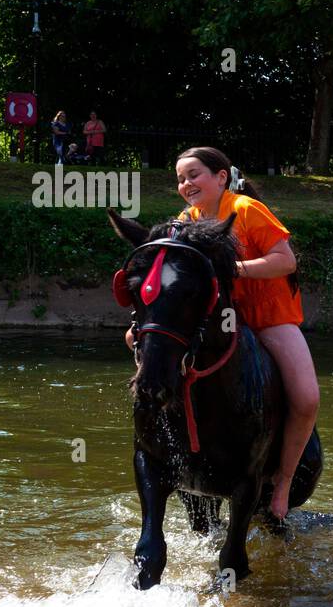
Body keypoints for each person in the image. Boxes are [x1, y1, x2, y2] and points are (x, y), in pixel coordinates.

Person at [123, 147, 320, 519]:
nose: (186, 184)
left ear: (221, 177)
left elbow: (286, 260)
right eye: (180, 179)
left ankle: (280, 484)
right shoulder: (186, 220)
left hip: (268, 318)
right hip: (218, 321)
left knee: (307, 398)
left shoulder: (246, 209)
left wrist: (233, 270)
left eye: (193, 174)